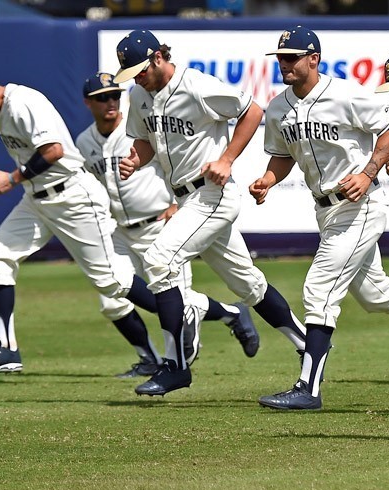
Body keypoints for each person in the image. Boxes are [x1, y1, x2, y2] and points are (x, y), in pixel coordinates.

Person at [248, 27, 389, 411]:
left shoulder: (345, 94)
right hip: (325, 209)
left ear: (313, 59)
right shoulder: (277, 107)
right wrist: (269, 180)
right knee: (378, 297)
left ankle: (308, 388)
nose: (284, 64)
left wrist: (368, 172)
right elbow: (283, 154)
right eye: (280, 58)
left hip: (360, 206)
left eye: (291, 57)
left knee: (318, 290)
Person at [113, 30, 307, 396]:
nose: (136, 77)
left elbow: (252, 110)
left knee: (158, 260)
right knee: (247, 284)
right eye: (131, 72)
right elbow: (145, 140)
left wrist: (227, 158)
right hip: (187, 199)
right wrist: (135, 159)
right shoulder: (140, 94)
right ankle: (307, 345)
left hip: (211, 195)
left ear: (158, 57)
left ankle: (175, 366)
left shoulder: (195, 85)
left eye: (140, 69)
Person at [0, 68, 160, 376]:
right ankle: (6, 349)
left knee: (112, 283)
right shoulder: (2, 110)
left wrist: (12, 178)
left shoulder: (23, 102)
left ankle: (201, 309)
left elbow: (53, 151)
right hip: (37, 199)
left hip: (72, 197)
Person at [75, 72, 260, 378]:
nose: (110, 102)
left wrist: (179, 204)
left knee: (174, 299)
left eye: (114, 95)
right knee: (111, 296)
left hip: (157, 223)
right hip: (119, 229)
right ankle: (219, 315)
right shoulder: (84, 141)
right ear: (88, 103)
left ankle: (176, 358)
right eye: (101, 98)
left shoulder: (138, 128)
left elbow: (172, 163)